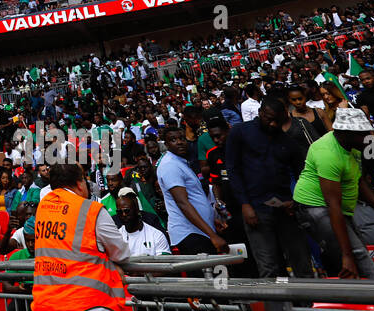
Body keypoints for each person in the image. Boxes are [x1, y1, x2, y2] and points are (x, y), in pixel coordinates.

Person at [293, 108, 374, 279]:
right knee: (356, 255)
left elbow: (360, 181)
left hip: (340, 208)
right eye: (362, 134)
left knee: (358, 255)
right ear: (343, 134)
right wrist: (347, 255)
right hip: (315, 208)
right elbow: (332, 206)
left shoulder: (359, 143)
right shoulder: (328, 154)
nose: (368, 137)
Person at [225, 95, 314, 278]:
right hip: (256, 208)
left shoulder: (286, 141)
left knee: (302, 263)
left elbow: (302, 173)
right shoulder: (240, 132)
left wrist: (295, 201)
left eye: (277, 120)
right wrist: (245, 204)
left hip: (285, 208)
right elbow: (233, 170)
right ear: (260, 113)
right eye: (268, 118)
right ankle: (280, 307)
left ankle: (308, 305)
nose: (273, 124)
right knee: (270, 267)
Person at [30, 161, 132, 311]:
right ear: (79, 184)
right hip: (88, 304)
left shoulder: (43, 208)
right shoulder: (91, 209)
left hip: (47, 304)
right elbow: (121, 254)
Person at [157, 126, 228, 255]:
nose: (179, 142)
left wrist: (211, 220)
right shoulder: (170, 165)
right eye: (173, 140)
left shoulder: (180, 162)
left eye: (182, 138)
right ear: (166, 144)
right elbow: (183, 203)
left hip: (199, 232)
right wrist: (212, 235)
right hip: (190, 234)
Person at [115, 189, 171, 256]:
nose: (124, 214)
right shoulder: (116, 237)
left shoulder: (156, 235)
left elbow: (164, 263)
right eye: (119, 212)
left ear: (137, 211)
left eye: (127, 211)